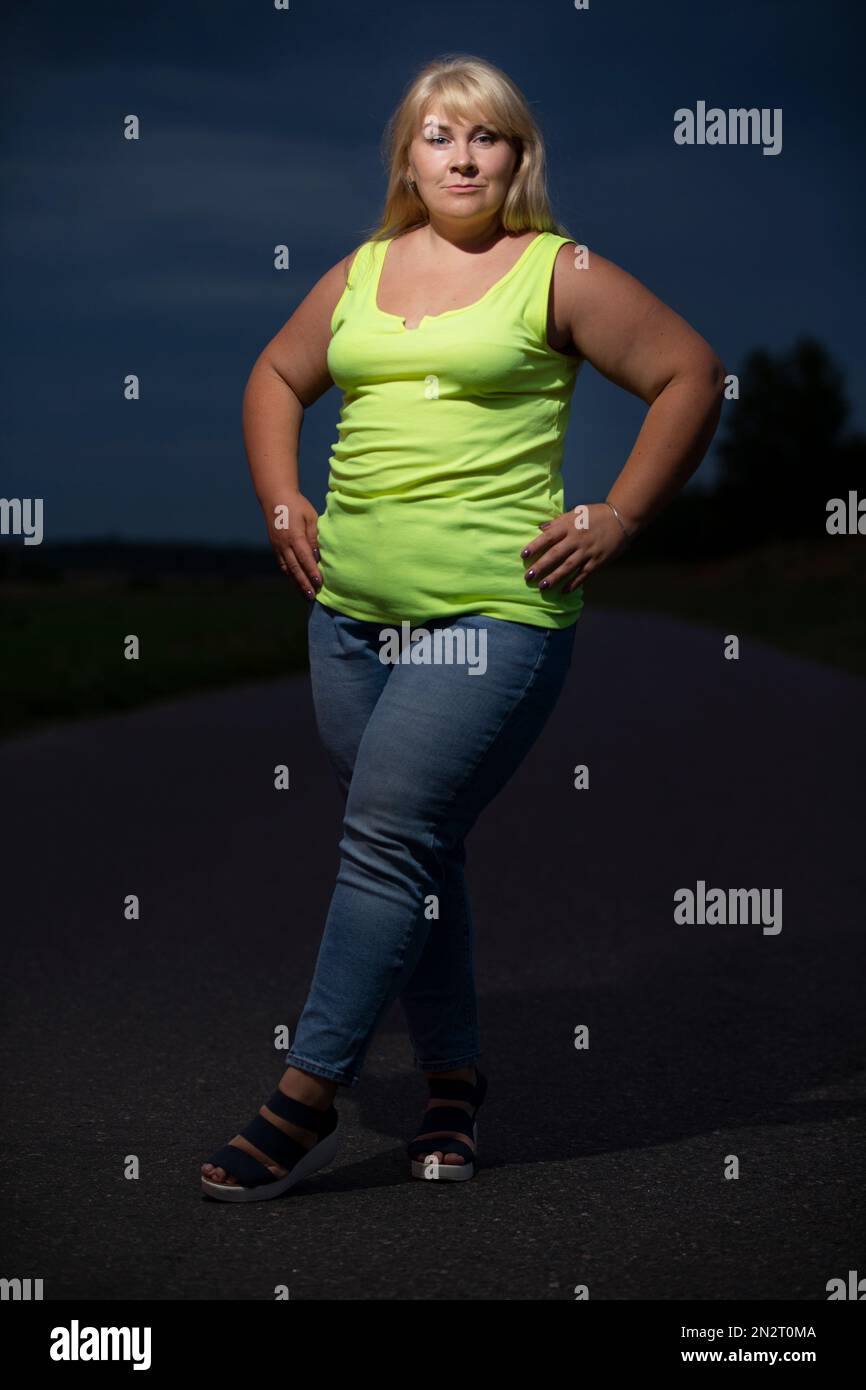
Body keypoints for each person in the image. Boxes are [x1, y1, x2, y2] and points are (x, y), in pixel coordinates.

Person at [201, 53, 725, 1201]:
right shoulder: (358, 272)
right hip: (347, 617)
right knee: (415, 845)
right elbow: (275, 376)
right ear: (407, 154)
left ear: (516, 159)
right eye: (440, 135)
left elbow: (690, 370)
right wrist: (282, 500)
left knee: (387, 835)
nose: (462, 156)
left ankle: (304, 1097)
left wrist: (619, 514)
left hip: (491, 613)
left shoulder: (556, 271)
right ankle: (452, 1086)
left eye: (487, 138)